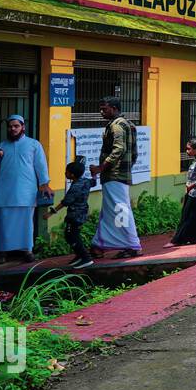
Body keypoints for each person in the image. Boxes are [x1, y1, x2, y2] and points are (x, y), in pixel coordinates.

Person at [0, 114, 51, 263]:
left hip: (26, 191)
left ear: (23, 127)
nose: (13, 129)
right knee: (3, 223)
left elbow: (41, 166)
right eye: (10, 126)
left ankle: (27, 251)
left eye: (16, 126)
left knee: (26, 223)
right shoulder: (0, 146)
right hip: (3, 191)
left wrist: (44, 184)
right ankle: (2, 252)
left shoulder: (34, 145)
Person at [90, 97, 142, 259]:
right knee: (111, 210)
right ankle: (99, 245)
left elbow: (119, 149)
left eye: (104, 109)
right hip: (120, 174)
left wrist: (100, 168)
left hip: (114, 175)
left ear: (113, 108)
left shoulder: (116, 126)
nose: (101, 112)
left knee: (120, 210)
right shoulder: (129, 124)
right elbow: (134, 154)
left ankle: (131, 244)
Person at [43, 160, 94, 269]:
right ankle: (79, 256)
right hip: (83, 213)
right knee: (72, 234)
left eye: (66, 172)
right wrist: (94, 174)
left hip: (74, 215)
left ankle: (85, 258)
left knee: (71, 236)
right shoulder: (85, 181)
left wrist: (50, 213)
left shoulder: (75, 188)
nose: (65, 173)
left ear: (72, 175)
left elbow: (65, 202)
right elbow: (93, 182)